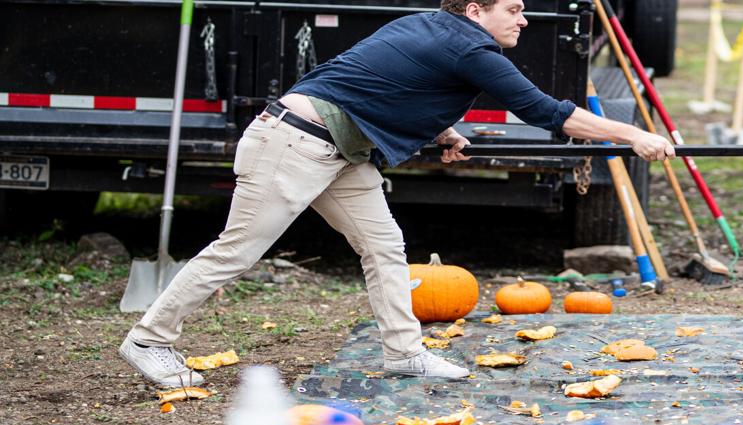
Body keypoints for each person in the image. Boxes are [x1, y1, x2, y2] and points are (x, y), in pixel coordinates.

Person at [120, 0, 674, 388]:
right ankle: (149, 340)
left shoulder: (427, 27)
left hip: (338, 147)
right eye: (513, 9)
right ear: (475, 11)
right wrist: (633, 135)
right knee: (238, 249)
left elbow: (388, 85)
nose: (525, 19)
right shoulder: (474, 51)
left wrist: (443, 130)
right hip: (293, 143)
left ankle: (404, 353)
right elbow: (546, 113)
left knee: (384, 245)